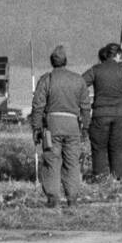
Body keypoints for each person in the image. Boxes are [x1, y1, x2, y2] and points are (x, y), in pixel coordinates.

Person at [30, 45, 90, 206]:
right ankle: (72, 198)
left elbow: (38, 106)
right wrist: (85, 128)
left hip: (52, 125)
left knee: (51, 161)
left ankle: (53, 198)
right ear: (66, 61)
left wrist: (36, 127)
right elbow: (85, 106)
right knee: (72, 162)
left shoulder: (46, 79)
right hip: (73, 126)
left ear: (52, 62)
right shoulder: (79, 80)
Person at [81, 43, 122, 180]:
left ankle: (101, 178)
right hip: (120, 115)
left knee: (99, 148)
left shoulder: (95, 70)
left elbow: (80, 84)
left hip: (100, 114)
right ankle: (118, 179)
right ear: (118, 55)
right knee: (118, 149)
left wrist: (84, 102)